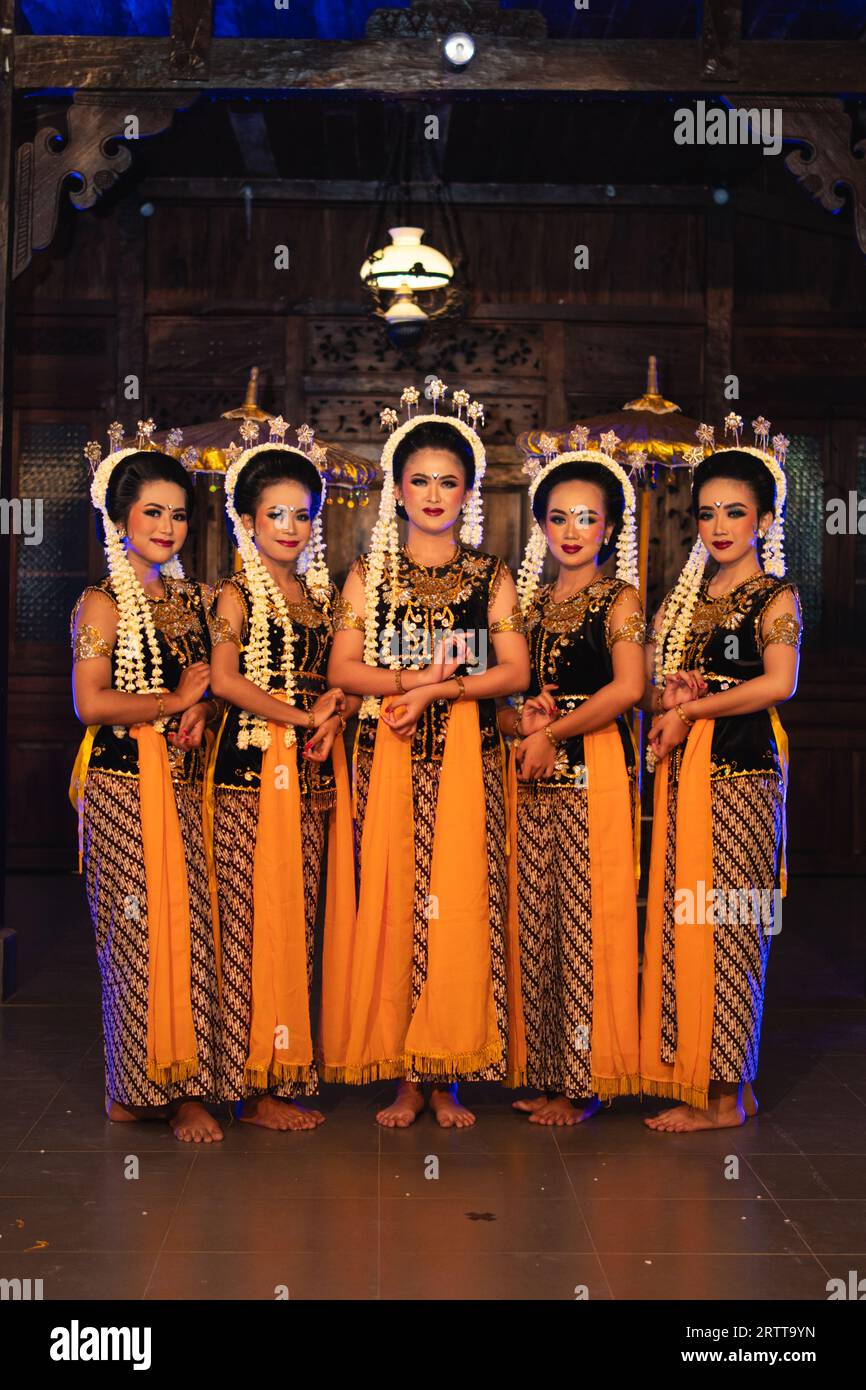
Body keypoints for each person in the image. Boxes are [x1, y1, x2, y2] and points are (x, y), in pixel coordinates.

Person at [321, 382, 530, 1128]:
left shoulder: (490, 576)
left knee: (460, 907)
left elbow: (515, 671)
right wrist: (413, 679)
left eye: (449, 481)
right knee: (397, 907)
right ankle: (405, 1073)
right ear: (398, 491)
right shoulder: (368, 576)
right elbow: (343, 671)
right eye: (420, 481)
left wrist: (441, 693)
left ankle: (451, 1072)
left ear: (468, 489)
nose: (435, 494)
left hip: (467, 761)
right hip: (390, 757)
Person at [639, 416, 802, 1131]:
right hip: (688, 777)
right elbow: (658, 688)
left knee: (732, 926)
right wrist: (673, 696)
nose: (719, 525)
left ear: (765, 518)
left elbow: (778, 684)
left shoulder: (776, 597)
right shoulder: (690, 605)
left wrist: (696, 709)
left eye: (735, 511)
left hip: (741, 774)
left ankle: (729, 1096)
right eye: (706, 512)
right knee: (689, 927)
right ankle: (702, 1077)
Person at [70, 420, 223, 1143]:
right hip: (121, 788)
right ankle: (134, 1091)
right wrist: (173, 705)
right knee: (136, 933)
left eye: (178, 513)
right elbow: (92, 703)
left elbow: (204, 689)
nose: (168, 526)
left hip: (188, 784)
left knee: (189, 932)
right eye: (152, 512)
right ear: (120, 517)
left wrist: (199, 715)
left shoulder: (190, 601)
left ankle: (185, 1087)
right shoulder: (100, 602)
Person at [208, 418, 356, 1132]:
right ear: (246, 519)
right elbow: (226, 681)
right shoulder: (235, 595)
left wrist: (335, 710)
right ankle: (248, 1082)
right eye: (276, 515)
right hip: (247, 776)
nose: (291, 527)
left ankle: (283, 1067)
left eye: (303, 515)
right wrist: (301, 720)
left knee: (296, 922)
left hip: (314, 779)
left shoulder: (318, 598)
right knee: (248, 924)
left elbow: (341, 681)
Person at [499, 430, 645, 1125]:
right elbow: (499, 700)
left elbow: (629, 689)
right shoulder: (526, 608)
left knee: (589, 922)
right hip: (528, 782)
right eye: (558, 518)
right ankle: (551, 1072)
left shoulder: (621, 600)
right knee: (540, 926)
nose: (571, 531)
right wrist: (523, 722)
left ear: (609, 527)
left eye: (586, 517)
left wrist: (553, 731)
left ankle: (585, 1080)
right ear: (541, 526)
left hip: (597, 776)